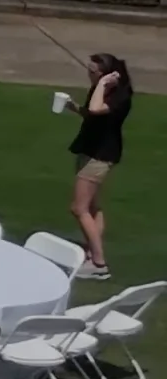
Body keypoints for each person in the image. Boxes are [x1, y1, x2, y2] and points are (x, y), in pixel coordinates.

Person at [70, 52, 128, 277]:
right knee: (92, 206)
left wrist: (102, 84)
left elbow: (96, 110)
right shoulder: (100, 89)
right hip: (90, 150)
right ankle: (91, 251)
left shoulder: (119, 96)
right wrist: (73, 107)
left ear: (107, 74)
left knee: (79, 208)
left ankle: (99, 264)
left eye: (92, 71)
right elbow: (91, 115)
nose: (89, 74)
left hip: (100, 155)